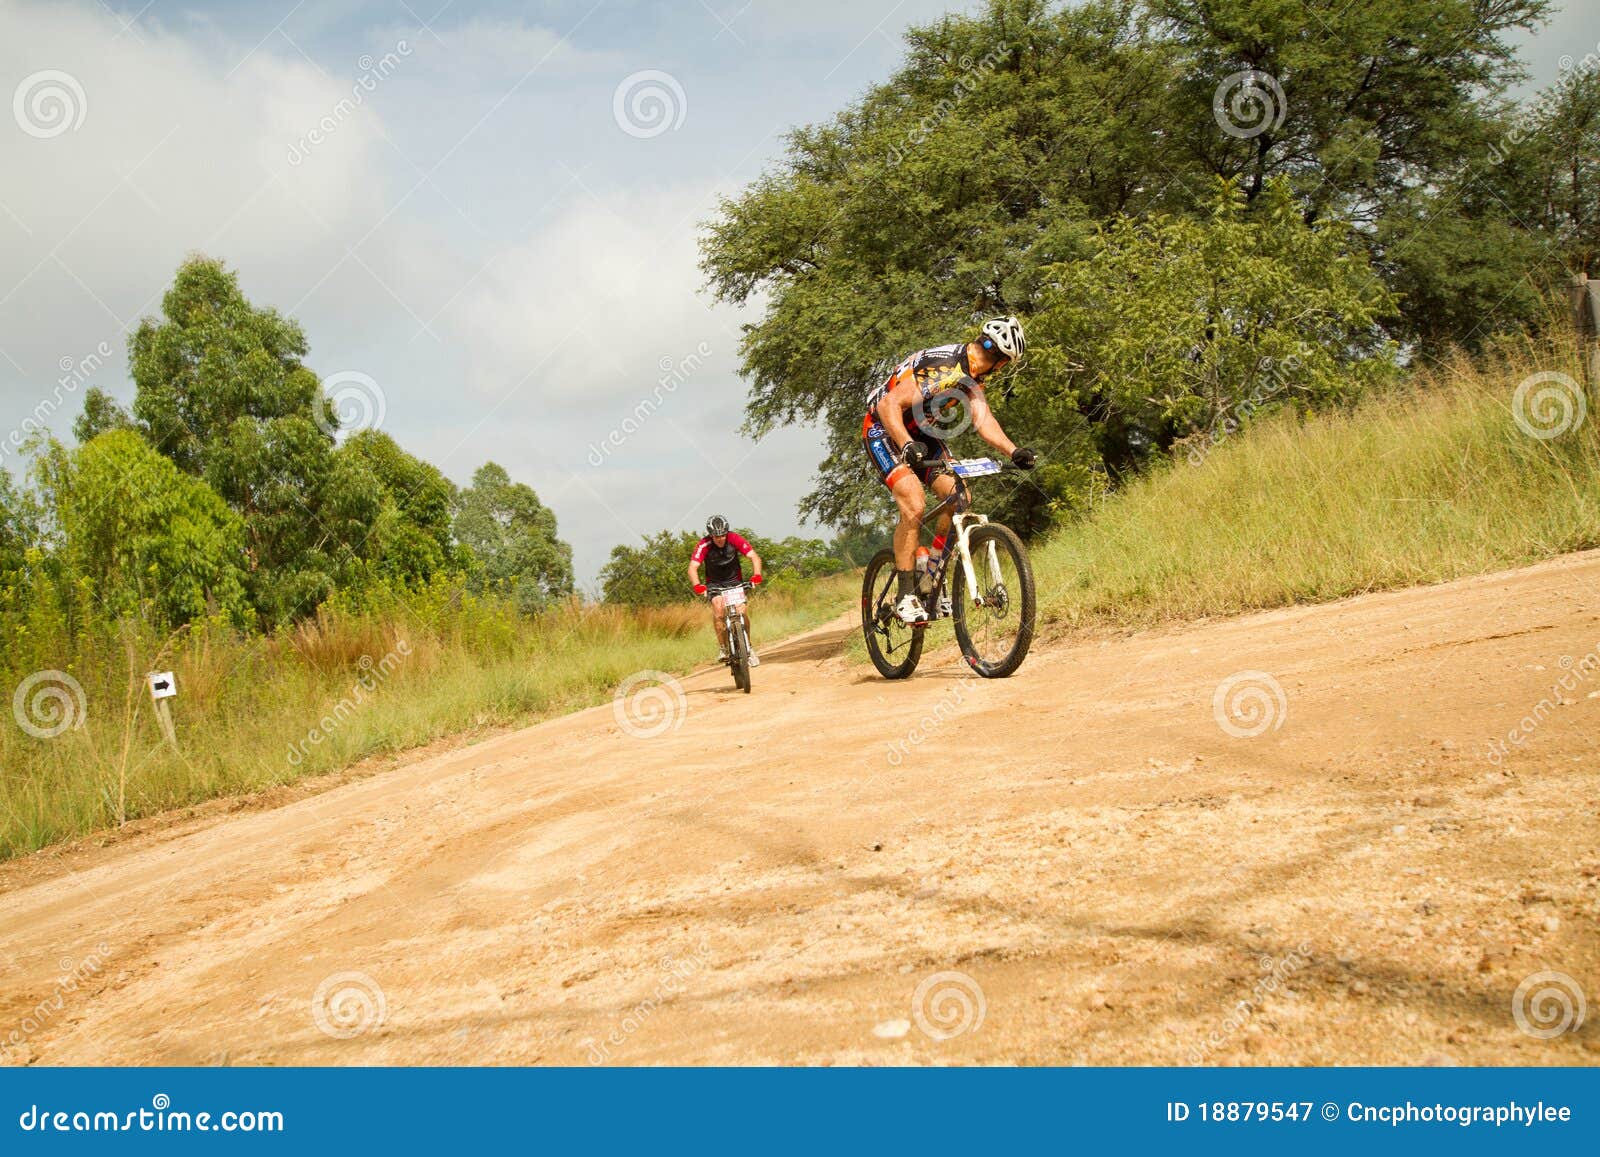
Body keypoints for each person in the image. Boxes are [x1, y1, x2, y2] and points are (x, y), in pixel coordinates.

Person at [862, 316, 1036, 624]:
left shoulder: (971, 376)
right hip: (884, 428)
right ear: (1000, 361)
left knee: (958, 497)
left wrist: (1014, 450)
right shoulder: (945, 367)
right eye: (1006, 364)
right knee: (914, 502)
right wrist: (904, 444)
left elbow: (983, 420)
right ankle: (904, 597)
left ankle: (931, 577)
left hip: (921, 432)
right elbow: (889, 405)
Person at [688, 515, 765, 665]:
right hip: (715, 584)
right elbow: (692, 567)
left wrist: (756, 575)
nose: (720, 539)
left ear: (727, 532)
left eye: (723, 535)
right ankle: (723, 648)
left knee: (741, 611)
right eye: (717, 536)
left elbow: (754, 557)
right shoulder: (703, 545)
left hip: (734, 581)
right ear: (711, 534)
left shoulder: (735, 538)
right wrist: (698, 585)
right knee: (718, 609)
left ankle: (748, 647)